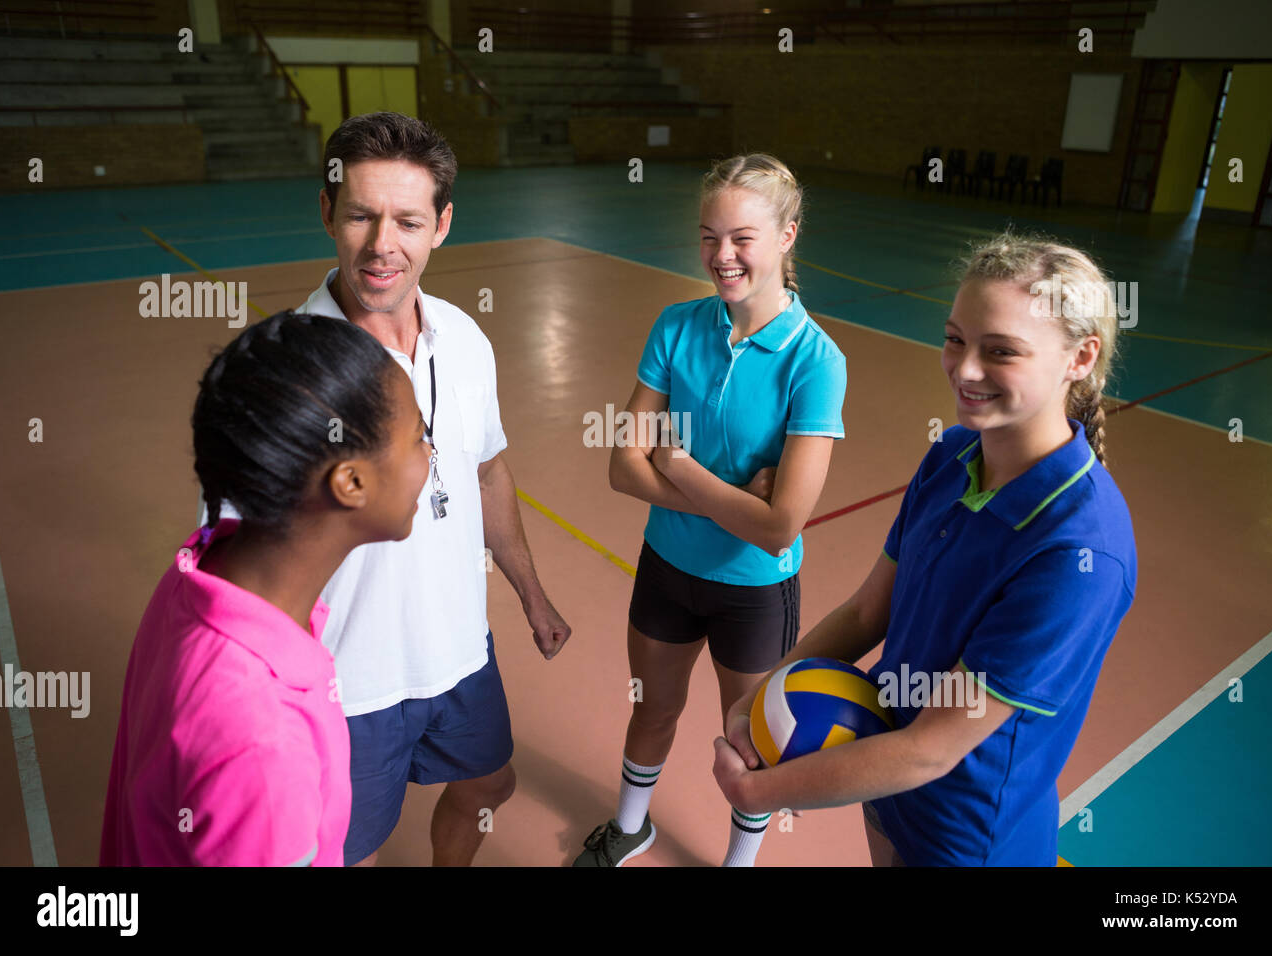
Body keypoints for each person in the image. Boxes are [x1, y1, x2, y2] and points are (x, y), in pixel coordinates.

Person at [712, 232, 1138, 866]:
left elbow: (932, 750)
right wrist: (760, 694)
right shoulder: (951, 456)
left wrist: (758, 789)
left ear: (1080, 358)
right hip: (881, 771)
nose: (964, 370)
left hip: (964, 834)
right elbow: (865, 615)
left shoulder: (1078, 551)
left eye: (1001, 351)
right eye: (955, 339)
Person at [304, 111, 571, 867]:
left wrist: (532, 595)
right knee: (343, 852)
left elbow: (485, 469)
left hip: (459, 653)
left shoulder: (464, 337)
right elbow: (238, 561)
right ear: (327, 211)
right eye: (361, 214)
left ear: (442, 225)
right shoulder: (291, 372)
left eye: (408, 221)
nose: (383, 244)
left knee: (490, 783)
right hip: (350, 683)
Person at [574, 154, 847, 867]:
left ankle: (738, 863)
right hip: (667, 568)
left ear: (788, 235)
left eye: (742, 238)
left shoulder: (816, 362)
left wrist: (678, 462)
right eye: (708, 236)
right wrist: (730, 499)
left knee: (747, 738)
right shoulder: (676, 325)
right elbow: (620, 467)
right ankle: (631, 827)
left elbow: (780, 525)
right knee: (653, 707)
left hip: (755, 591)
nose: (721, 257)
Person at [102, 311, 430, 866]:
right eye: (419, 438)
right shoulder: (263, 741)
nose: (430, 456)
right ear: (350, 482)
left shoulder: (201, 572)